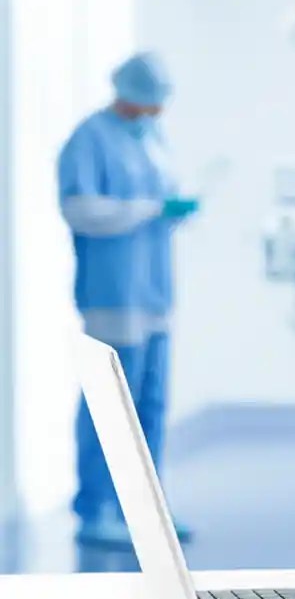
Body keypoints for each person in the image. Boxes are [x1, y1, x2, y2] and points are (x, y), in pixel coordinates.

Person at [58, 52, 199, 546]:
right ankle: (97, 510)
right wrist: (148, 209)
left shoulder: (152, 138)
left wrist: (173, 209)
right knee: (112, 402)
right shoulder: (89, 137)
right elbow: (80, 209)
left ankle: (146, 511)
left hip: (154, 290)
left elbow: (161, 200)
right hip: (112, 292)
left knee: (151, 402)